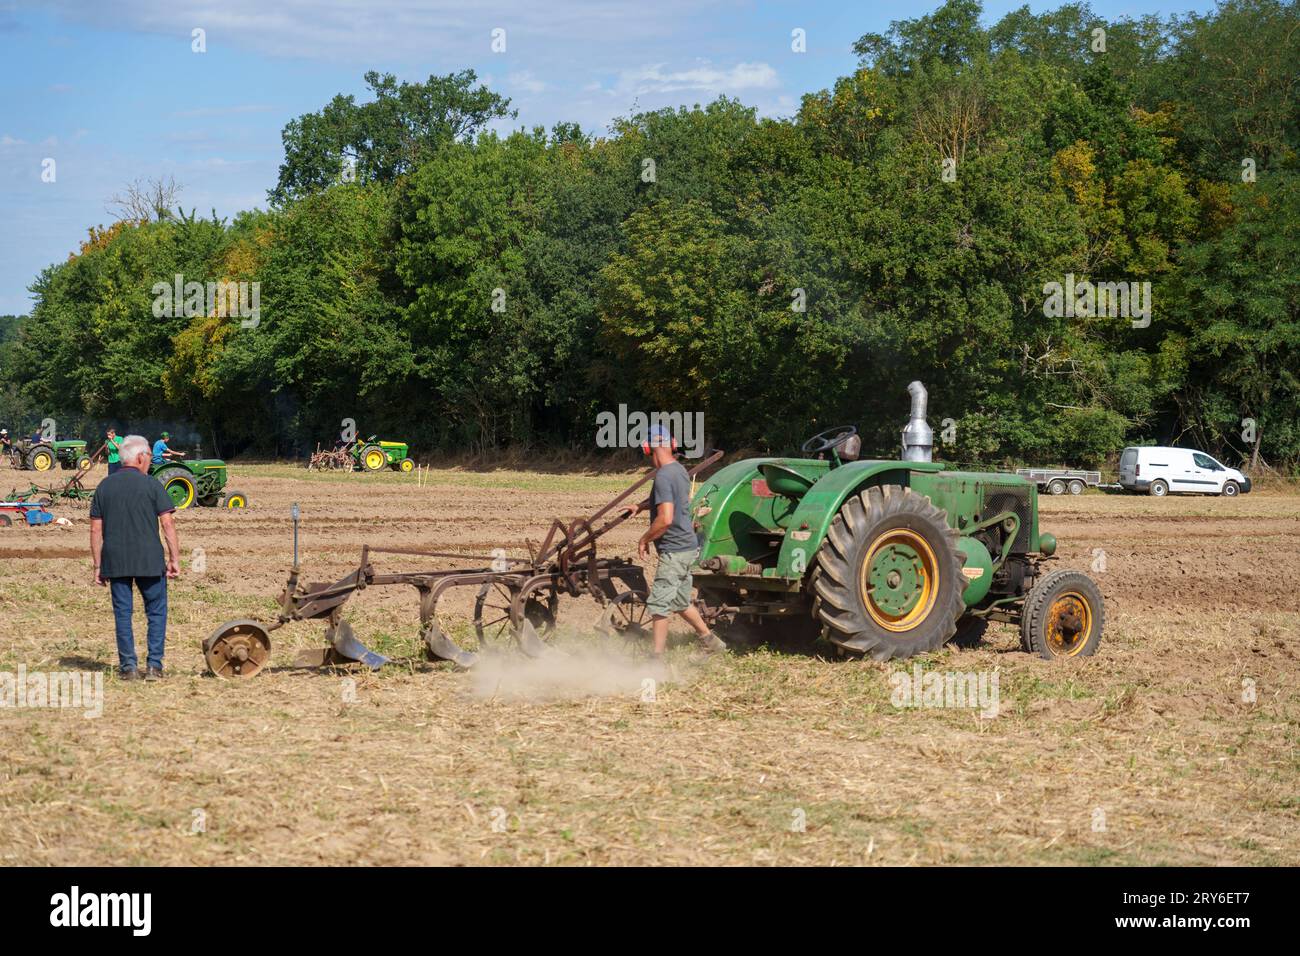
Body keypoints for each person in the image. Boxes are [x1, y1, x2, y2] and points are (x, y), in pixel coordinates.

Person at [622, 424, 727, 659]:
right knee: (679, 600)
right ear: (672, 444)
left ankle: (656, 658)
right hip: (688, 547)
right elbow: (671, 499)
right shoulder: (679, 470)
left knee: (659, 604)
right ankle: (711, 641)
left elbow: (666, 518)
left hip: (674, 550)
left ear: (647, 448)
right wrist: (639, 506)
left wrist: (644, 538)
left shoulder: (662, 476)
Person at [90, 434, 181, 681]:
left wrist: (98, 565)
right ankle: (154, 667)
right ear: (140, 457)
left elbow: (96, 529)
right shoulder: (152, 485)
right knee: (156, 612)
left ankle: (128, 668)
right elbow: (168, 524)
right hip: (149, 560)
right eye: (150, 455)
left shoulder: (104, 486)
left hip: (115, 560)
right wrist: (174, 558)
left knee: (123, 613)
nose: (150, 460)